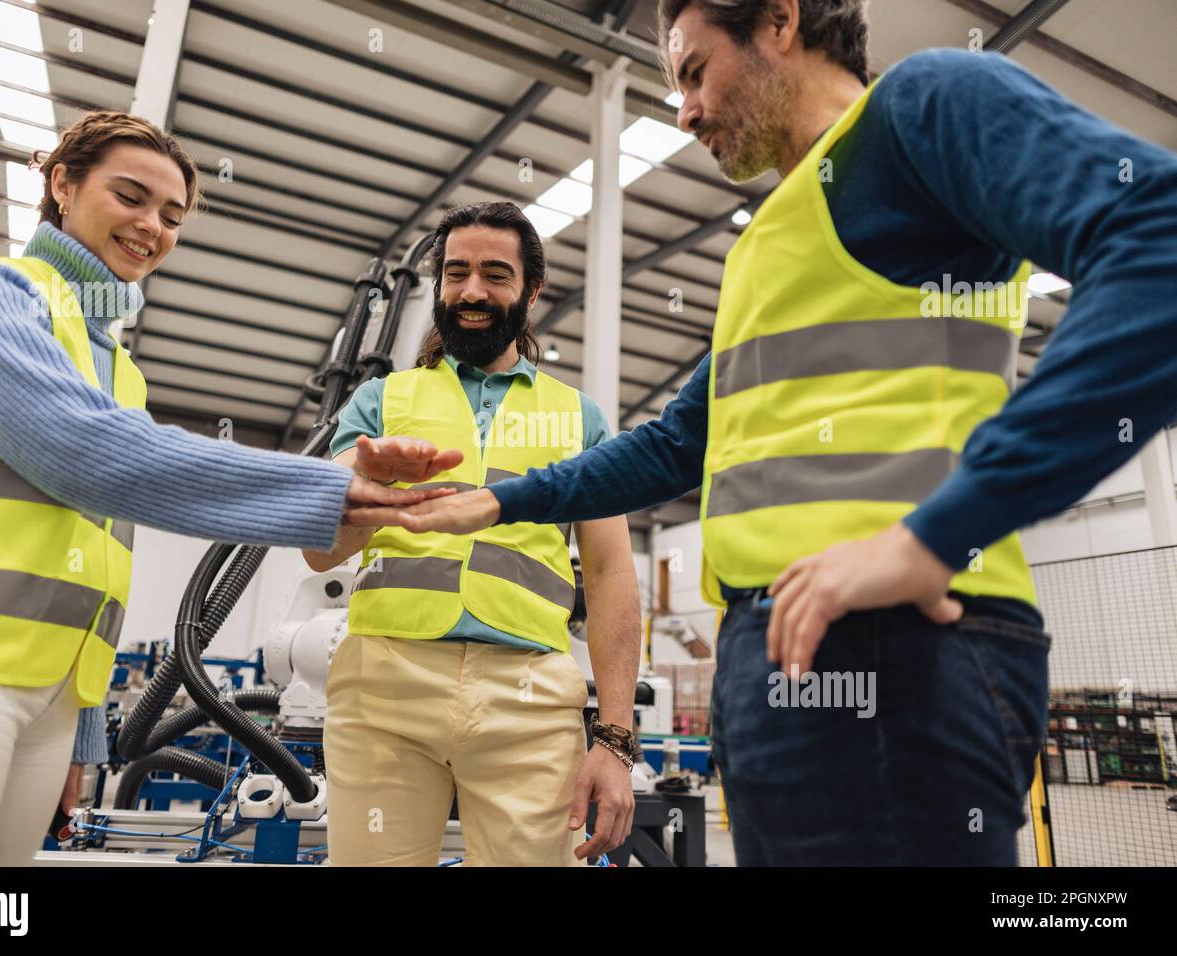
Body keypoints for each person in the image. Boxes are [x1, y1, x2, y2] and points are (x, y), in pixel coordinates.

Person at [353, 0, 1177, 865]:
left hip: (896, 643)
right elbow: (679, 443)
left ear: (780, 21)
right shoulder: (768, 240)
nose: (685, 111)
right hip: (772, 656)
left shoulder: (919, 110)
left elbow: (1155, 244)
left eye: (696, 72)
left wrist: (942, 532)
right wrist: (495, 500)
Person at [0, 110, 450, 866]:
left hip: (42, 703)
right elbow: (79, 449)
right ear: (63, 184)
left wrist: (75, 728)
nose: (152, 226)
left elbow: (93, 568)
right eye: (131, 196)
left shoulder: (119, 370)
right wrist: (326, 488)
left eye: (172, 216)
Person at [304, 202, 641, 866]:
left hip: (531, 701)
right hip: (385, 692)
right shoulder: (382, 401)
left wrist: (617, 740)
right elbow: (319, 552)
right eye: (456, 273)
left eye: (494, 273)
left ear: (531, 290)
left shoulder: (579, 418)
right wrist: (371, 483)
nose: (472, 291)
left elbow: (611, 577)